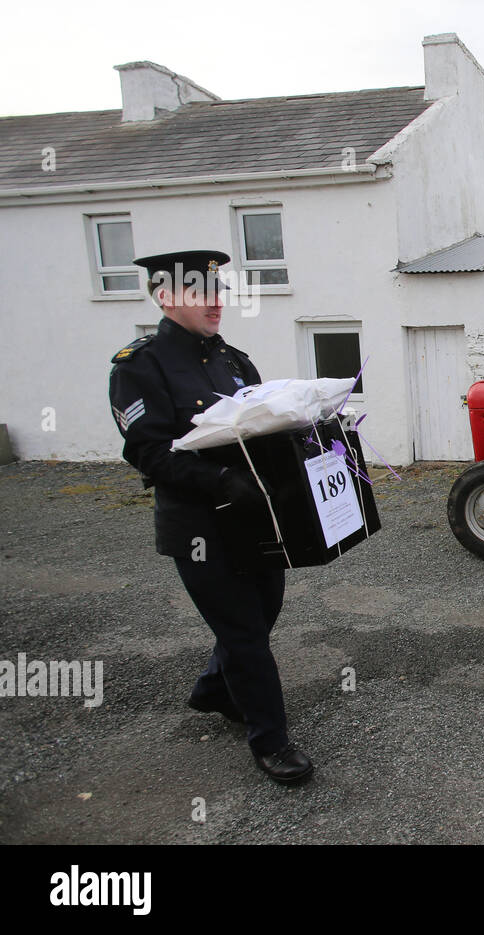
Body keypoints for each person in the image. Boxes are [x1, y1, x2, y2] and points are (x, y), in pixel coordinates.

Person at [108, 249, 313, 785]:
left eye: (219, 290)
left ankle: (212, 691)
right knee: (245, 633)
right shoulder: (140, 366)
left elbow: (262, 427)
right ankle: (271, 740)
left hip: (253, 517)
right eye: (202, 292)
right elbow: (148, 452)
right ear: (166, 297)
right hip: (199, 526)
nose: (217, 301)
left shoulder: (234, 359)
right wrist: (220, 481)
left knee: (261, 615)